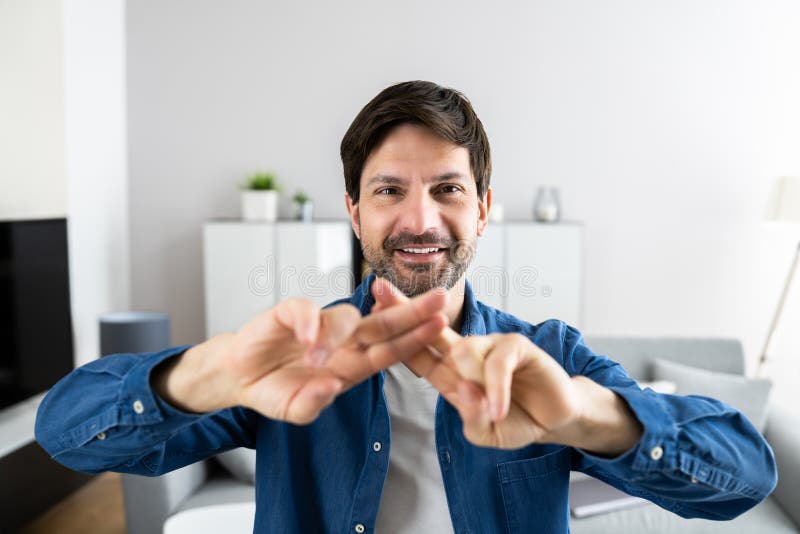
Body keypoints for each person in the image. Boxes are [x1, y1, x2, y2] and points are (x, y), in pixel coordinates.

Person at [36, 80, 777, 533]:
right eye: (390, 190)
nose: (420, 221)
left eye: (447, 189)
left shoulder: (548, 356)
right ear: (354, 212)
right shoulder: (293, 361)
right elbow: (65, 434)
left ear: (484, 210)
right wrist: (208, 374)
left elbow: (747, 477)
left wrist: (586, 417)